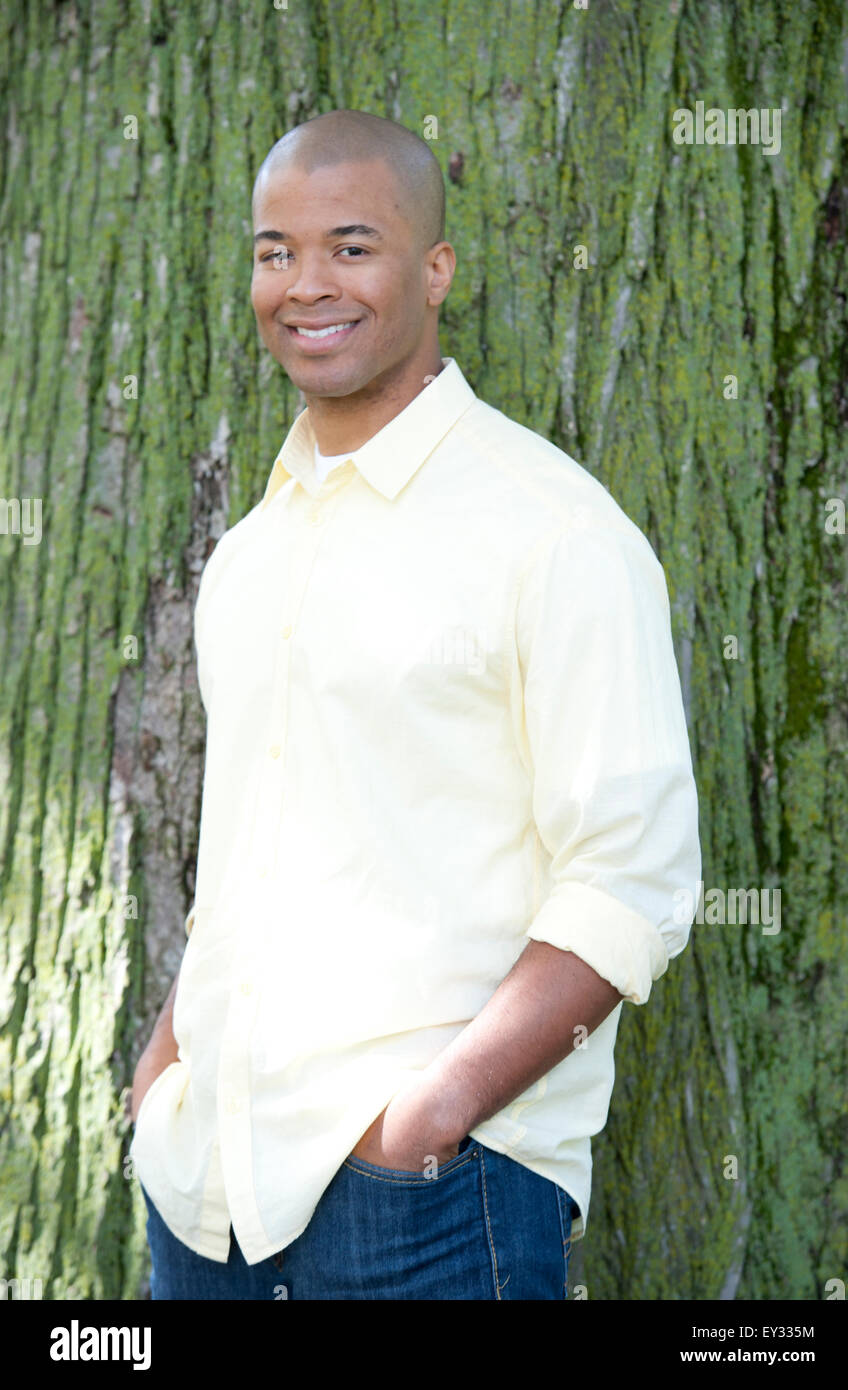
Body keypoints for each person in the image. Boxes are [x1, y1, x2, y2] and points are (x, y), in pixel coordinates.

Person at [129, 108, 701, 1301]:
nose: (304, 284)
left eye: (350, 244)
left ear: (435, 268)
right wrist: (164, 1071)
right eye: (274, 251)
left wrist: (430, 1117)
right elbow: (252, 845)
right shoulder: (253, 549)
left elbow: (630, 881)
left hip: (427, 1205)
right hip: (203, 1194)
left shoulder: (554, 533)